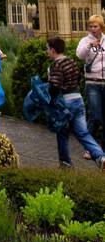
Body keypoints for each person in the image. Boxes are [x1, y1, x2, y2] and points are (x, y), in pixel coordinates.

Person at [46, 35, 105, 169]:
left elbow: (55, 86)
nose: (47, 52)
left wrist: (50, 99)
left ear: (53, 50)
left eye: (48, 49)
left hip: (65, 102)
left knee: (62, 133)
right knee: (83, 133)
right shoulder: (71, 61)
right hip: (78, 100)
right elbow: (77, 78)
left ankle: (65, 164)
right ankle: (101, 157)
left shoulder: (56, 65)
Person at [76, 14, 105, 148]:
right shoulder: (85, 40)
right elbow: (80, 55)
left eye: (95, 26)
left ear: (101, 27)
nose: (93, 29)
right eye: (91, 26)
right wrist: (89, 45)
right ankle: (90, 147)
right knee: (95, 116)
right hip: (92, 83)